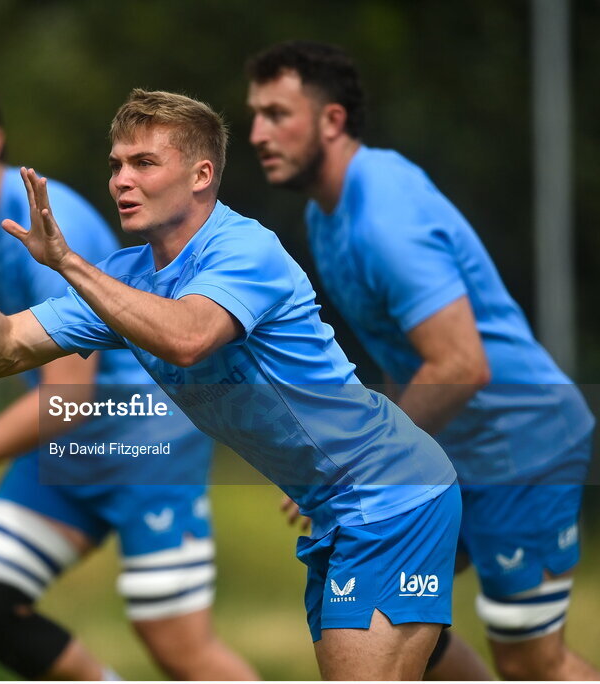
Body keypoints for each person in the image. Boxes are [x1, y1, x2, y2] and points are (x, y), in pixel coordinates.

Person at [0, 86, 464, 680]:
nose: (121, 181)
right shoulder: (125, 276)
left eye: (144, 163)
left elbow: (189, 337)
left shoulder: (244, 248)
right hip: (337, 506)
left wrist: (68, 264)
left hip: (392, 493)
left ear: (201, 174)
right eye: (116, 165)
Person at [0, 71, 255, 681]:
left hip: (143, 442)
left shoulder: (39, 222)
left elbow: (68, 399)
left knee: (179, 648)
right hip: (68, 450)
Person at [245, 40, 597, 680]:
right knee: (391, 621)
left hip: (523, 444)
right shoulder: (326, 216)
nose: (257, 133)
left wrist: (361, 456)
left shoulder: (384, 215)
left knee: (532, 664)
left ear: (332, 121)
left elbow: (460, 361)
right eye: (255, 115)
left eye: (277, 114)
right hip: (452, 454)